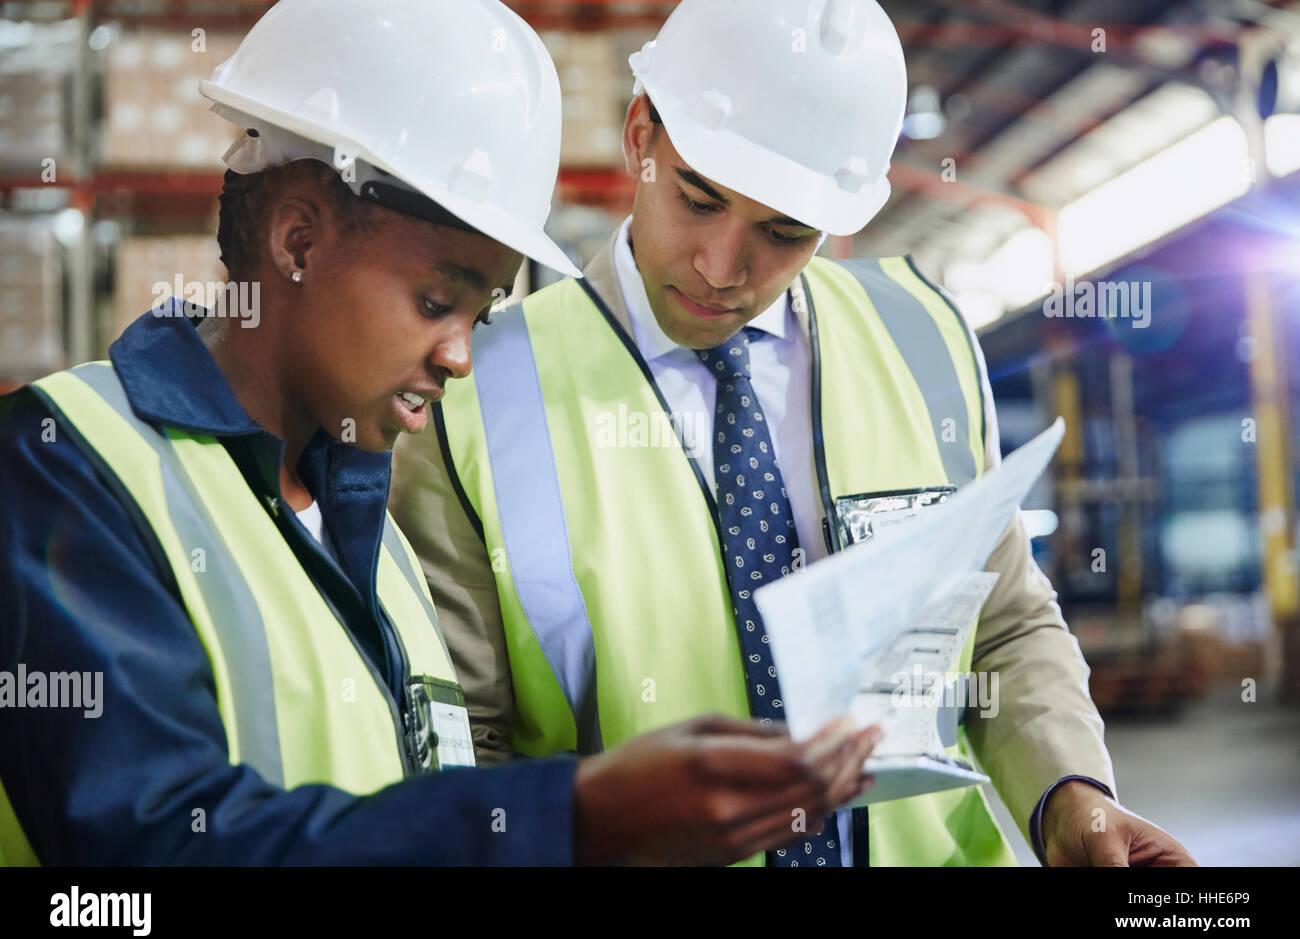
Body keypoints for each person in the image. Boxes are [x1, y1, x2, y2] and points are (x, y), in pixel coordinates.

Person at [0, 0, 881, 867]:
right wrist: (576, 820)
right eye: (436, 301)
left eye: (483, 309)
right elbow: (142, 855)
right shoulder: (73, 466)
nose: (462, 357)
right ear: (298, 238)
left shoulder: (376, 540)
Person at [389, 0, 1196, 867]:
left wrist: (1069, 794)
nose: (722, 268)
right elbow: (468, 738)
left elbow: (998, 623)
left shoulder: (920, 341)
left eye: (784, 233)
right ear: (639, 137)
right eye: (699, 200)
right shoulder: (474, 393)